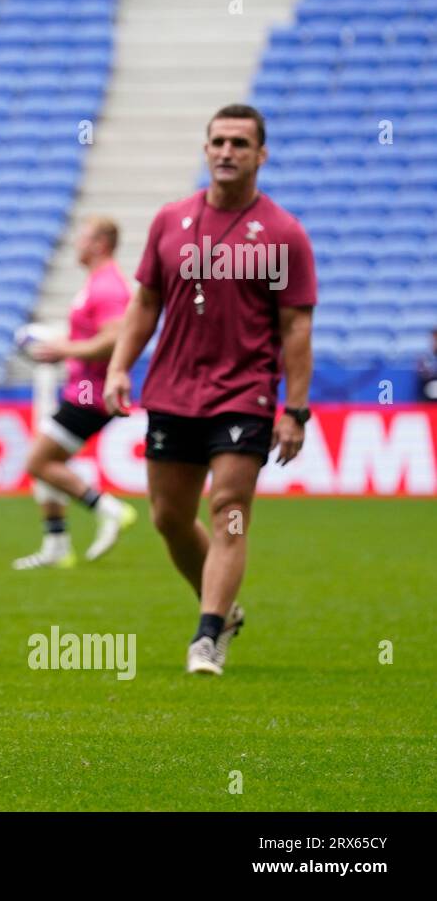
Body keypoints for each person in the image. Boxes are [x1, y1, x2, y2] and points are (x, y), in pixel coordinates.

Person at [104, 104, 316, 675]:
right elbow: (145, 301)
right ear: (206, 150)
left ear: (260, 155)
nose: (227, 151)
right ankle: (225, 610)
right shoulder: (170, 220)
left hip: (245, 393)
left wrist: (295, 408)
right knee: (169, 517)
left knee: (229, 510)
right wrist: (120, 366)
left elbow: (297, 327)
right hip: (173, 389)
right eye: (218, 141)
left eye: (240, 143)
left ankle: (207, 635)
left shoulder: (284, 233)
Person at [13, 217, 137, 569]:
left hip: (91, 394)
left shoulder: (108, 286)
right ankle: (56, 545)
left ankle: (109, 509)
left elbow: (114, 339)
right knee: (49, 464)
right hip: (82, 389)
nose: (77, 243)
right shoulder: (96, 283)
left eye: (83, 237)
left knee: (38, 462)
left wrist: (63, 349)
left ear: (100, 243)